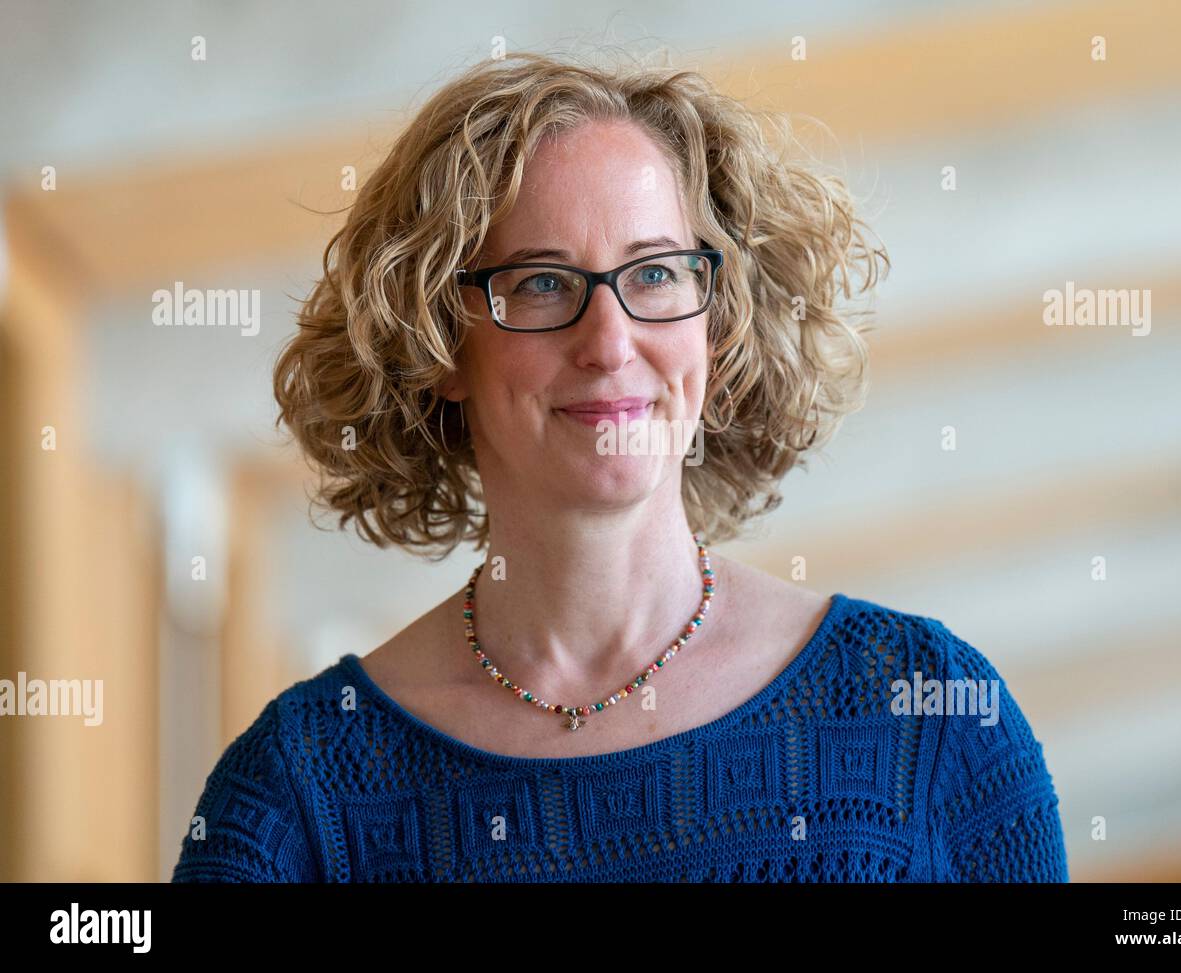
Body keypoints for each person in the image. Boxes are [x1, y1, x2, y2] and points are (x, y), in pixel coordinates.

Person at [171, 50, 1068, 882]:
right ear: (438, 343)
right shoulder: (300, 794)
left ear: (718, 328)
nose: (610, 342)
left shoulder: (930, 719)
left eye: (655, 275)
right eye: (541, 283)